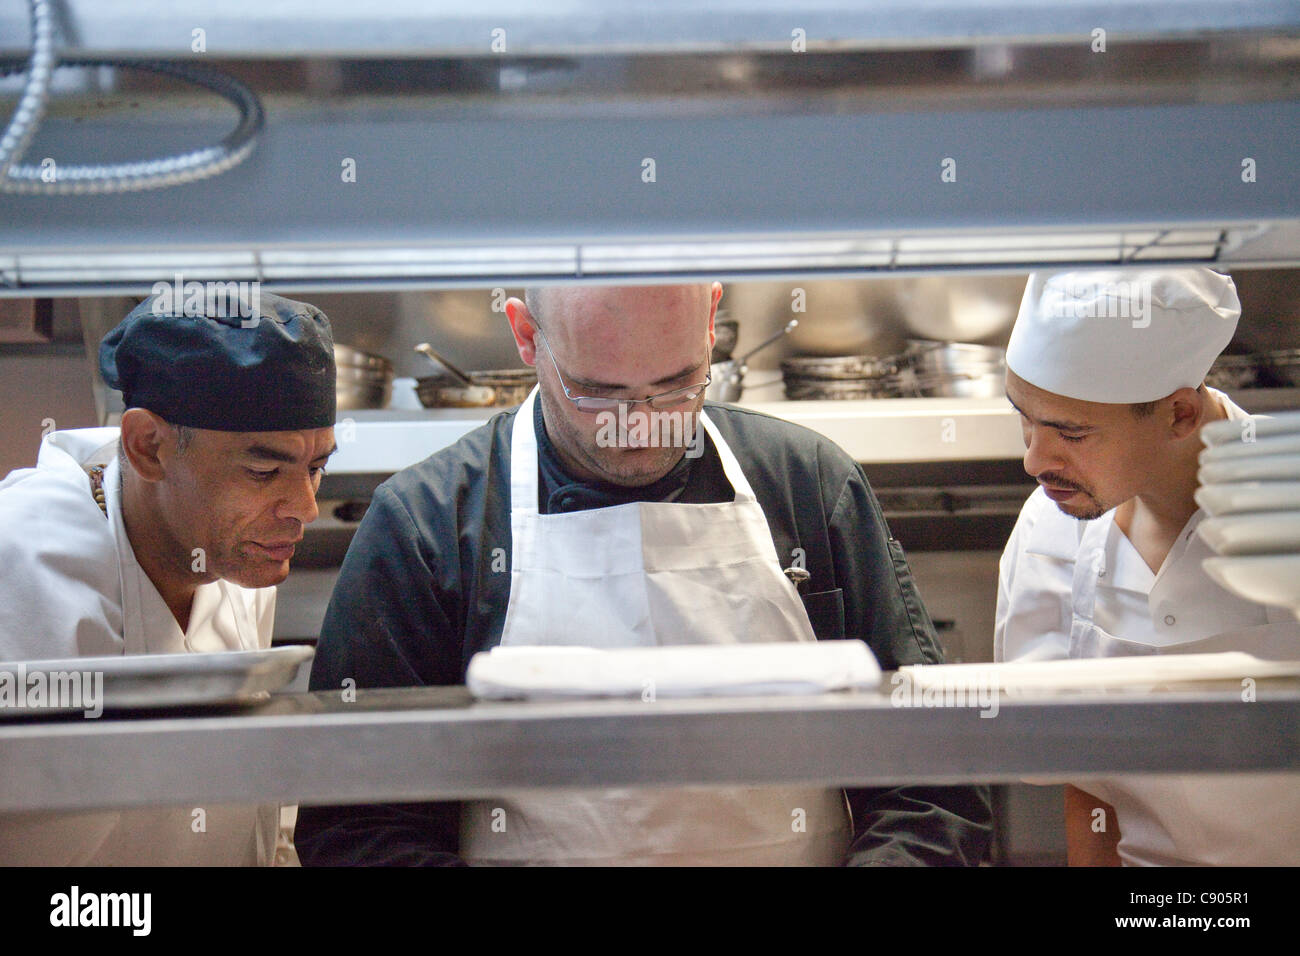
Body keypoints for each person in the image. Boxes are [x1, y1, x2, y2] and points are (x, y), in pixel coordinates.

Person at [297, 282, 992, 866]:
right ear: (526, 336)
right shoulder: (427, 524)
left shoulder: (809, 485)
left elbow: (932, 778)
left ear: (711, 318)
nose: (638, 427)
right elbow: (358, 826)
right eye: (597, 393)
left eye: (675, 385)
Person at [0, 290, 338, 865]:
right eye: (262, 472)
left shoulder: (235, 554)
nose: (304, 507)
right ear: (148, 447)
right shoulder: (20, 566)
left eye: (316, 468)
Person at [994, 267, 1300, 866]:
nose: (1033, 459)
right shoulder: (1049, 528)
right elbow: (1082, 780)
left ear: (1179, 415)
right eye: (1024, 418)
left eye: (1072, 434)